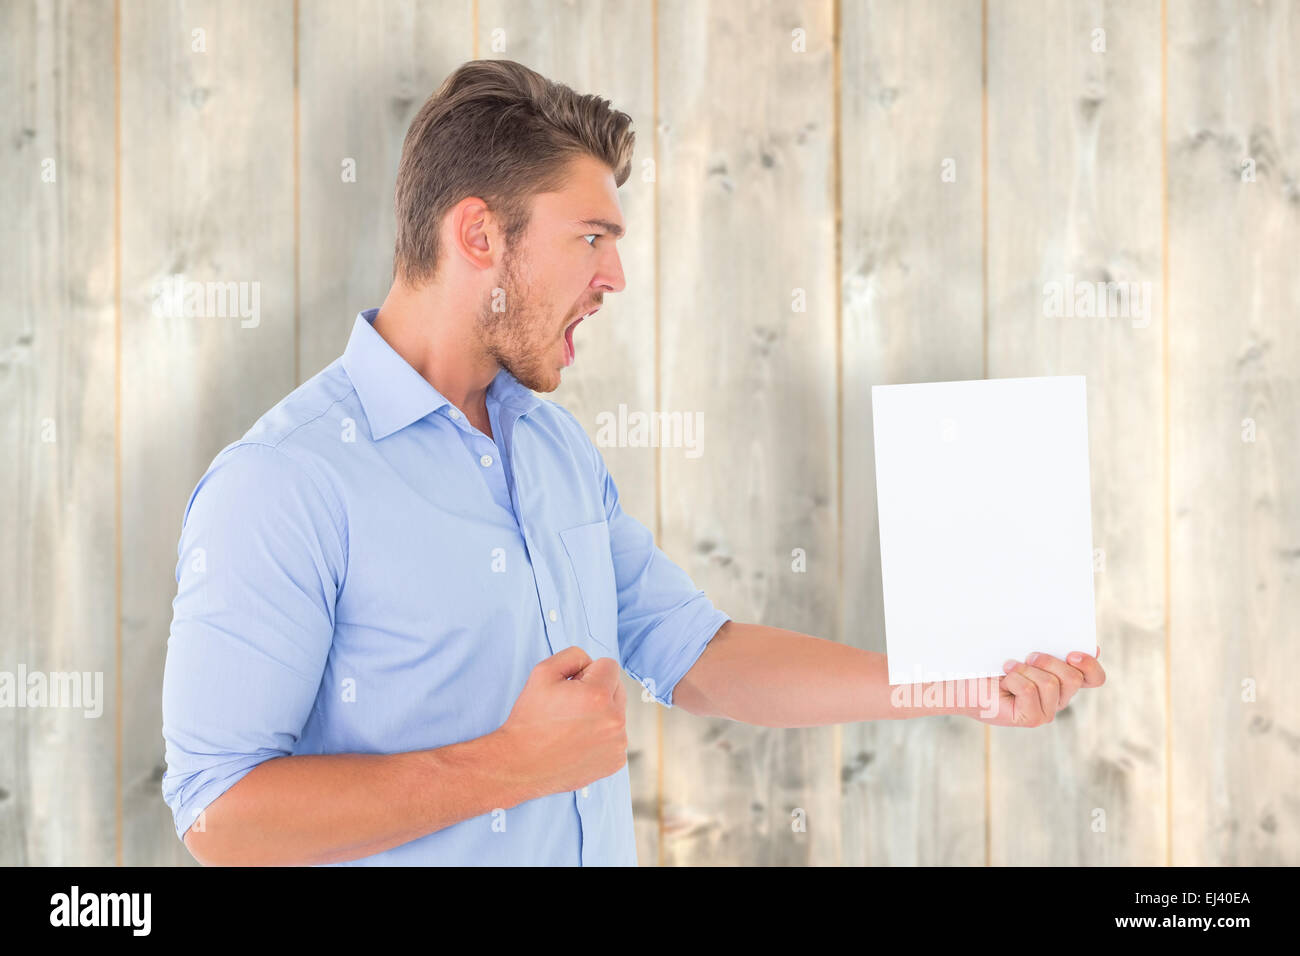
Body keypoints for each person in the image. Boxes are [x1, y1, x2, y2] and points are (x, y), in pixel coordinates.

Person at [161, 59, 1105, 867]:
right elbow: (218, 813)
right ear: (479, 235)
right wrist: (503, 766)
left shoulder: (550, 446)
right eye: (591, 238)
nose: (614, 277)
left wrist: (957, 680)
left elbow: (697, 656)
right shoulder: (283, 482)